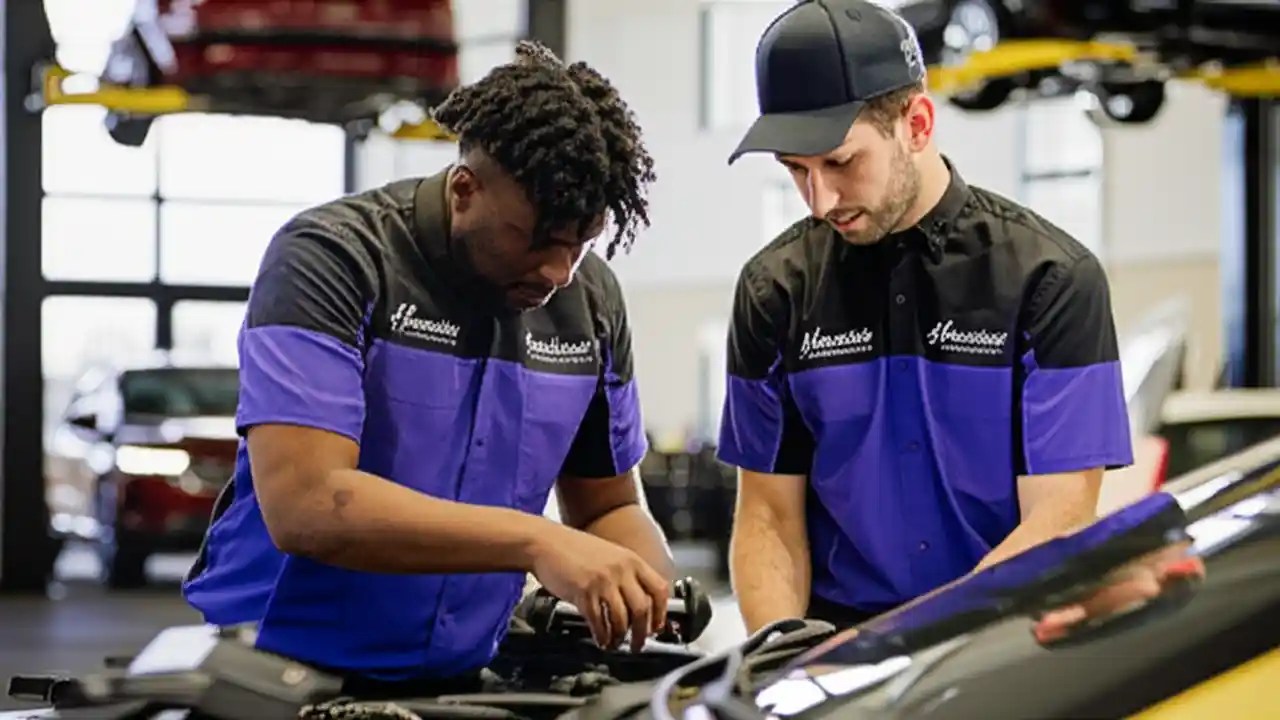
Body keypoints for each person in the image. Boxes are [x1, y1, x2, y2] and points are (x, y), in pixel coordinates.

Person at [182, 41, 674, 687]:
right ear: (464, 189)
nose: (560, 271)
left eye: (581, 244)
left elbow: (608, 508)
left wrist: (647, 583)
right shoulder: (331, 260)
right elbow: (307, 503)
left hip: (458, 679)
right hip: (270, 676)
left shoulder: (591, 302)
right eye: (539, 240)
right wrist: (539, 541)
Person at [718, 0, 1134, 634]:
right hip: (835, 657)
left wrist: (921, 657)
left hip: (997, 642)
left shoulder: (1051, 281)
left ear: (916, 124)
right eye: (795, 171)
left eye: (840, 162)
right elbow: (769, 518)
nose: (820, 199)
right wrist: (779, 657)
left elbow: (1060, 518)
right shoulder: (773, 290)